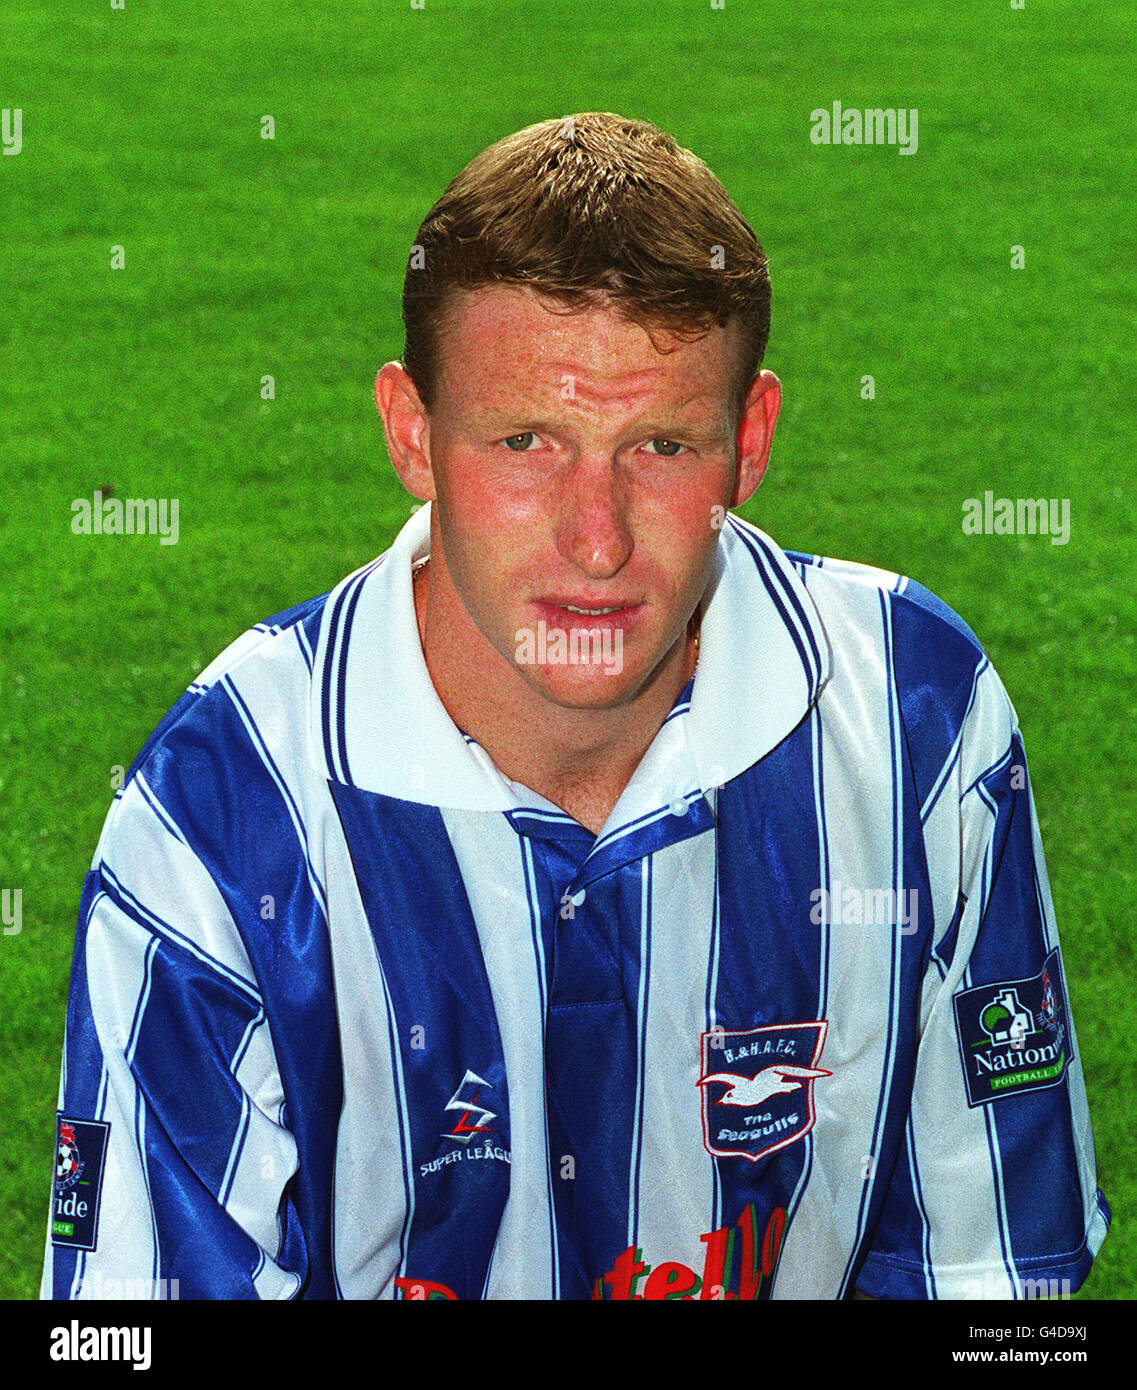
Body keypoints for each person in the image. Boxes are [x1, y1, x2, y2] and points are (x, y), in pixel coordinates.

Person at [42, 112, 1108, 1301]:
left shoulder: (917, 723)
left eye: (659, 445)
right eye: (525, 440)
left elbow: (998, 1284)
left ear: (748, 443)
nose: (595, 541)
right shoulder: (220, 812)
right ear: (412, 433)